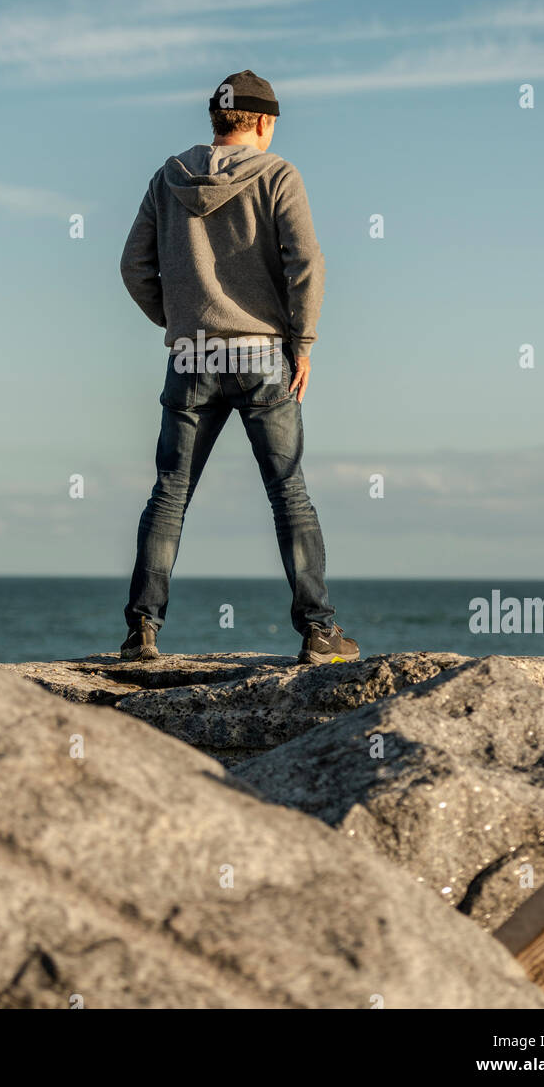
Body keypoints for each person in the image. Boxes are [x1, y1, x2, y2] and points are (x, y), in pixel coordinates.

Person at [119, 69, 359, 667]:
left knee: (169, 495)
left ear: (216, 120)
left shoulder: (168, 176)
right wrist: (301, 343)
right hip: (259, 356)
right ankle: (318, 633)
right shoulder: (278, 174)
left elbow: (133, 265)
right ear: (260, 122)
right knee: (289, 494)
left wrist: (179, 322)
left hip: (191, 357)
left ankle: (142, 633)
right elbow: (306, 263)